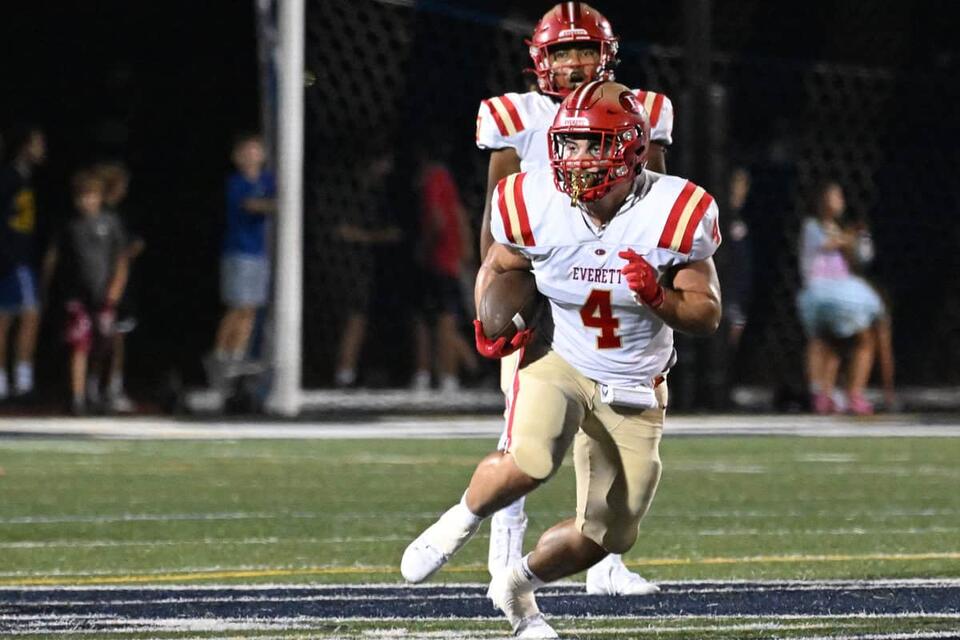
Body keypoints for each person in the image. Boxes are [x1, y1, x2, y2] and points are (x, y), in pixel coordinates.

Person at [402, 82, 722, 638]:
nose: (575, 160)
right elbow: (502, 263)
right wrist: (490, 317)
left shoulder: (675, 209)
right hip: (563, 359)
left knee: (609, 536)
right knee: (532, 457)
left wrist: (659, 298)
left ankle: (517, 586)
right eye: (568, 145)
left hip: (634, 382)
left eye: (592, 145)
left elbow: (707, 313)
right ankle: (460, 520)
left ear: (632, 149)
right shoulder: (535, 200)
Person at [474, 1, 675, 596]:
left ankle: (606, 561)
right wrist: (490, 290)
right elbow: (497, 216)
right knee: (526, 432)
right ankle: (504, 549)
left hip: (618, 289)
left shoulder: (643, 109)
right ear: (541, 60)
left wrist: (659, 300)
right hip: (547, 288)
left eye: (585, 50)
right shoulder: (516, 116)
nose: (576, 63)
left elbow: (658, 202)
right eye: (563, 52)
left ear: (607, 55)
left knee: (621, 431)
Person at [43, 170, 129, 415]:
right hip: (76, 295)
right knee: (78, 344)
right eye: (82, 197)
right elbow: (55, 259)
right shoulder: (69, 225)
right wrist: (48, 287)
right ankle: (77, 396)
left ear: (101, 197)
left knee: (103, 345)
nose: (86, 201)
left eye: (92, 196)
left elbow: (121, 260)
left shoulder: (111, 223)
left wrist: (115, 291)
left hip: (104, 296)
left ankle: (96, 390)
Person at [797, 181, 883, 415]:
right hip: (822, 293)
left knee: (841, 342)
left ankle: (845, 394)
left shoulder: (841, 230)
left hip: (842, 295)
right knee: (828, 340)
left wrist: (855, 241)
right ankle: (822, 392)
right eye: (833, 196)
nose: (837, 201)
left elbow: (859, 260)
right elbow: (829, 243)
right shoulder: (812, 227)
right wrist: (851, 238)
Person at [206, 134, 276, 387]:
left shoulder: (269, 180)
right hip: (239, 252)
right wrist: (274, 206)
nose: (251, 156)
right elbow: (251, 205)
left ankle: (238, 354)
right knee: (237, 305)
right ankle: (221, 354)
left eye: (256, 151)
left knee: (251, 308)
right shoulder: (236, 183)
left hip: (259, 253)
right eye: (246, 151)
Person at [410, 140, 477, 392]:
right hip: (449, 260)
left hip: (438, 260)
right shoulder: (447, 179)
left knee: (433, 320)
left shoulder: (433, 179)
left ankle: (435, 373)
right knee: (444, 318)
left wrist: (424, 247)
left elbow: (438, 220)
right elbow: (459, 216)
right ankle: (460, 371)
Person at [0, 125, 46, 400]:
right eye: (38, 143)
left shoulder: (26, 178)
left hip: (16, 258)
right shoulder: (9, 178)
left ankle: (8, 382)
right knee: (27, 316)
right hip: (13, 261)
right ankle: (22, 382)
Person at [94, 162, 140, 412]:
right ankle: (94, 388)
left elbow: (128, 249)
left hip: (114, 287)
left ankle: (111, 387)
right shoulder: (101, 216)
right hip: (98, 285)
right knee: (97, 340)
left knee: (115, 339)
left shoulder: (118, 215)